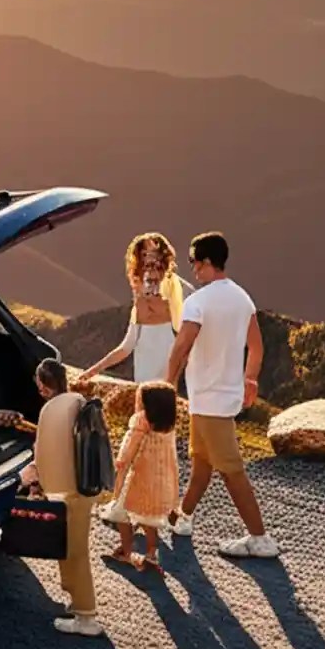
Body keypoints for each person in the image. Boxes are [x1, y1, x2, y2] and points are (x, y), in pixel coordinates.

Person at [165, 232, 279, 558]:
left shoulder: (197, 302)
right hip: (217, 398)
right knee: (201, 462)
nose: (193, 270)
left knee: (231, 470)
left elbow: (181, 347)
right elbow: (256, 347)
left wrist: (167, 385)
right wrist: (250, 380)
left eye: (194, 263)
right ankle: (182, 517)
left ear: (205, 263)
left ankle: (260, 538)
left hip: (209, 399)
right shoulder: (243, 299)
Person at [0, 359, 103, 637]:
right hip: (84, 487)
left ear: (42, 385)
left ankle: (86, 617)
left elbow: (44, 453)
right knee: (72, 549)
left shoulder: (50, 410)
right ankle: (78, 603)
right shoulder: (77, 400)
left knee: (74, 553)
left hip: (66, 492)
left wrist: (32, 483)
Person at [80, 233, 193, 383]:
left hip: (168, 384)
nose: (150, 260)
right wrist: (92, 371)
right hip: (143, 381)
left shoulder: (178, 291)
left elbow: (188, 340)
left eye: (155, 255)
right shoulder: (140, 302)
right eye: (145, 255)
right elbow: (126, 347)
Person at [102, 381, 180, 575]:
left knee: (122, 514)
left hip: (138, 479)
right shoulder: (168, 425)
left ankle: (126, 552)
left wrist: (120, 463)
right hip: (160, 481)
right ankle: (152, 553)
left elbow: (129, 447)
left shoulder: (141, 420)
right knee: (149, 519)